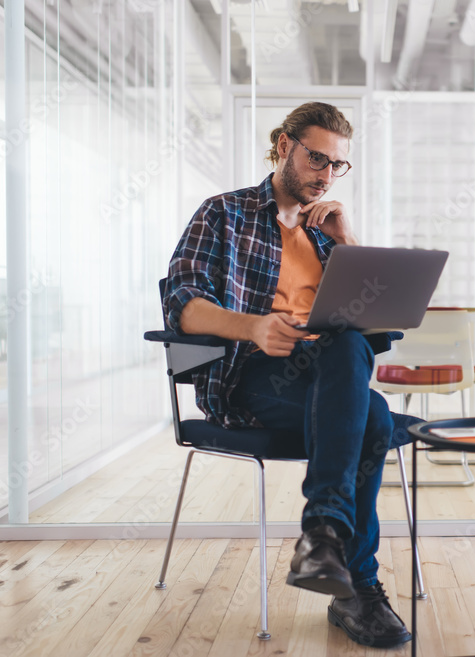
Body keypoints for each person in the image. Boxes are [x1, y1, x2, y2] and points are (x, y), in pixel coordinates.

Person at [162, 102, 413, 648]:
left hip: (327, 377)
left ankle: (323, 537)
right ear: (283, 147)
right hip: (249, 374)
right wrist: (252, 327)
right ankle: (356, 588)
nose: (324, 175)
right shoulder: (223, 213)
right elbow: (184, 304)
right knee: (371, 418)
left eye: (336, 165)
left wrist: (347, 240)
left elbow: (375, 317)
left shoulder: (326, 234)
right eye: (316, 159)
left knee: (349, 350)